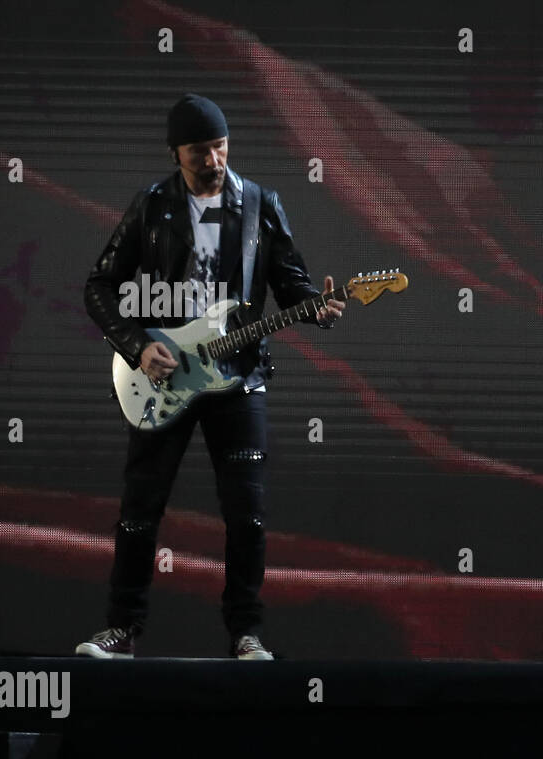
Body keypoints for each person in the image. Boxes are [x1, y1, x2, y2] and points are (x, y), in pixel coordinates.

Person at [77, 94, 344, 661]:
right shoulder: (151, 205)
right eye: (200, 151)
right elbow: (99, 286)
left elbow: (291, 281)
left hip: (238, 377)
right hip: (164, 375)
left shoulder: (260, 204)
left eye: (220, 147)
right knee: (139, 510)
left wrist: (316, 305)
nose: (214, 160)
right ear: (176, 152)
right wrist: (138, 345)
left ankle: (246, 634)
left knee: (246, 513)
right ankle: (121, 630)